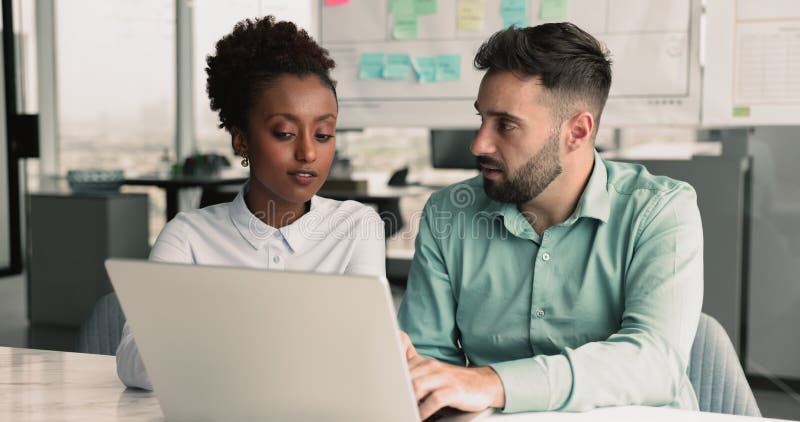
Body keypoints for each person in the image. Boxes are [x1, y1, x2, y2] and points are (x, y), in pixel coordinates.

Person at [398, 22, 703, 419]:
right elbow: (427, 363)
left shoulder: (660, 211)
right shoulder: (447, 214)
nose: (479, 144)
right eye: (481, 119)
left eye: (505, 125)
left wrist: (493, 382)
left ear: (577, 131)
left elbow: (653, 363)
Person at [116, 16, 385, 390]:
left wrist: (204, 334)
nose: (308, 152)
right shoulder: (188, 237)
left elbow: (364, 354)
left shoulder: (357, 227)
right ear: (241, 140)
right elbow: (133, 362)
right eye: (285, 133)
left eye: (323, 134)